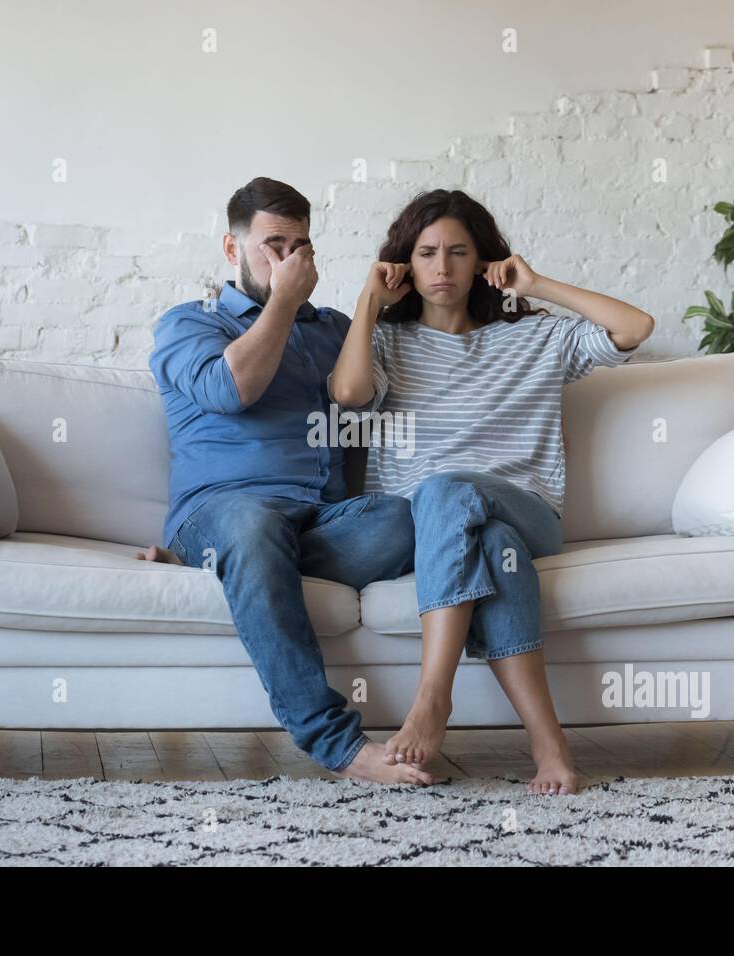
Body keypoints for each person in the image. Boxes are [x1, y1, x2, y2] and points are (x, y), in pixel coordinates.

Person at [329, 188, 655, 795]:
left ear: (483, 261)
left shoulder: (535, 337)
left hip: (528, 509)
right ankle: (550, 748)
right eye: (426, 254)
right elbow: (348, 396)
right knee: (491, 542)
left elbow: (636, 327)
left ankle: (433, 696)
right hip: (438, 526)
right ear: (405, 263)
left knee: (451, 490)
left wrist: (536, 285)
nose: (442, 268)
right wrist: (368, 302)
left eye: (458, 252)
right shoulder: (387, 343)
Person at [144, 176, 435, 786]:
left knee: (415, 517)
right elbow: (231, 389)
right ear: (232, 249)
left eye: (300, 247)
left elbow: (363, 403)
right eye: (273, 245)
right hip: (223, 511)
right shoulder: (188, 325)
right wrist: (282, 301)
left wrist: (370, 304)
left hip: (322, 522)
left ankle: (236, 568)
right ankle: (336, 743)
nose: (289, 261)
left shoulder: (329, 329)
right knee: (251, 528)